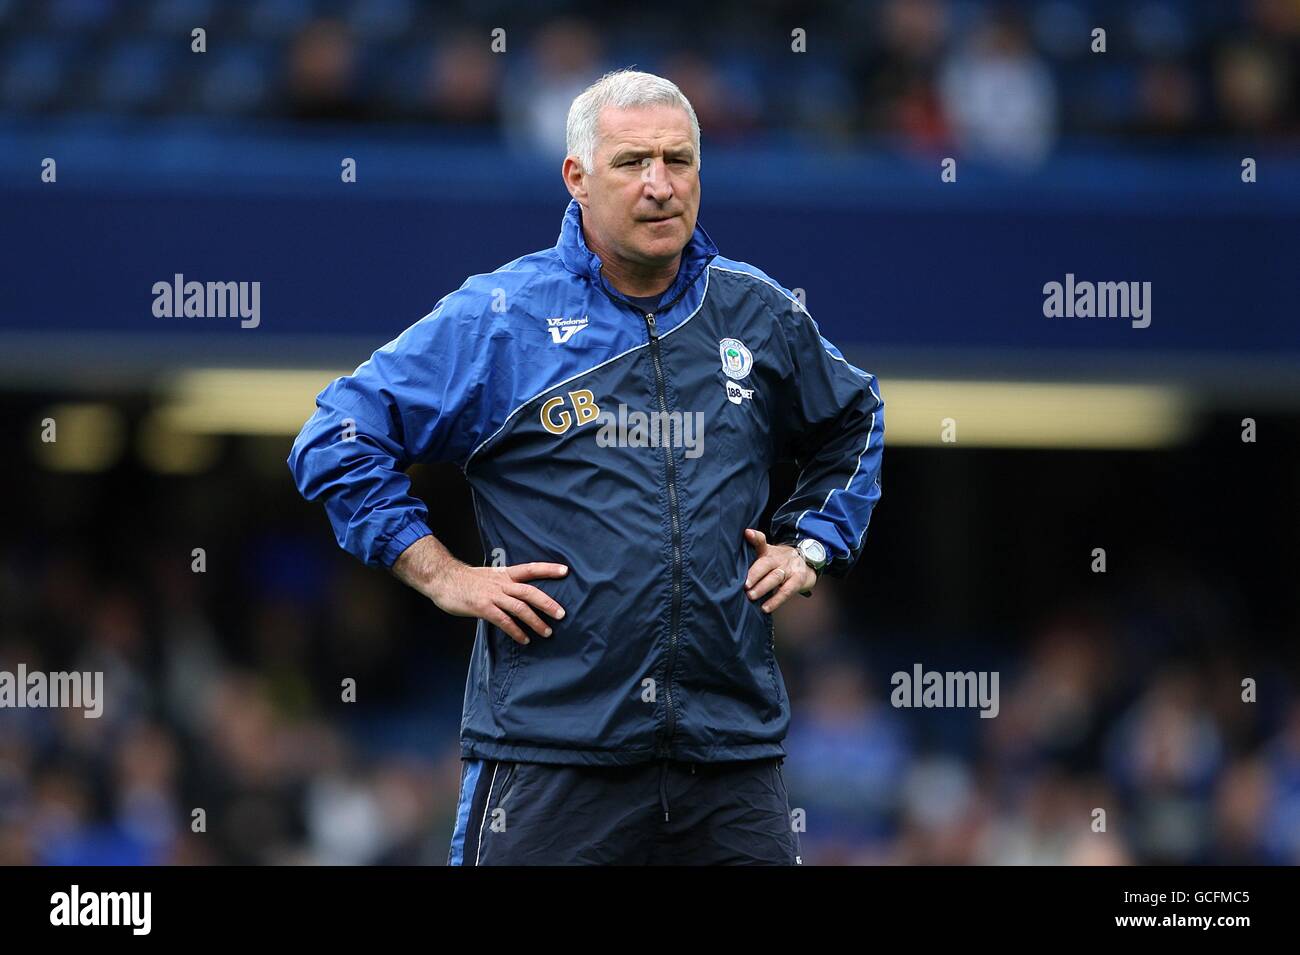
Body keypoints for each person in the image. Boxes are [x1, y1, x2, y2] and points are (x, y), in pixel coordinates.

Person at [288, 69, 884, 865]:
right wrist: (440, 574)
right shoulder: (502, 316)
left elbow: (857, 417)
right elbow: (335, 435)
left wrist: (807, 546)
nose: (661, 185)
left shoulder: (758, 311)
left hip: (731, 760)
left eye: (679, 161)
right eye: (633, 162)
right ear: (576, 178)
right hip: (550, 756)